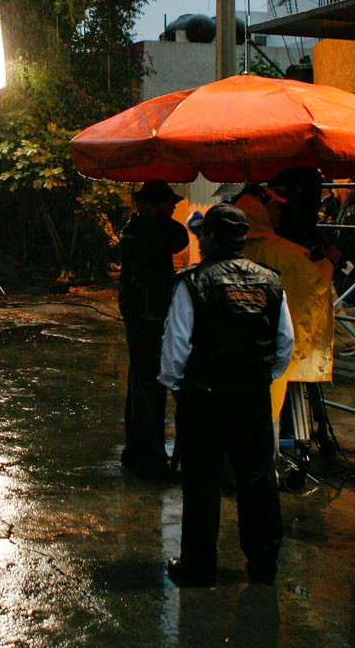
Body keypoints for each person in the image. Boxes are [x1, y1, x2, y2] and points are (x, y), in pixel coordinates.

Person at [160, 203, 293, 587]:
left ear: (211, 238)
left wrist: (175, 386)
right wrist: (261, 377)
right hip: (252, 394)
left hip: (205, 395)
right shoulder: (271, 281)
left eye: (202, 234)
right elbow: (285, 342)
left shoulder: (193, 282)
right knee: (258, 478)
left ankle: (199, 568)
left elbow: (176, 345)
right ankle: (263, 564)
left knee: (203, 481)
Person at [232, 184, 334, 436]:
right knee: (263, 422)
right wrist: (329, 262)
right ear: (263, 211)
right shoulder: (285, 252)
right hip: (270, 351)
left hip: (234, 353)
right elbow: (311, 287)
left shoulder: (227, 251)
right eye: (276, 207)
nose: (280, 213)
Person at [117, 180, 190, 480]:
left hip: (144, 312)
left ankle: (137, 451)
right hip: (146, 315)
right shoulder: (141, 230)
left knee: (141, 382)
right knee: (150, 385)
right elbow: (178, 237)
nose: (173, 208)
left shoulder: (139, 229)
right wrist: (154, 214)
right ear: (152, 205)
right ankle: (150, 459)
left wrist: (154, 212)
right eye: (167, 203)